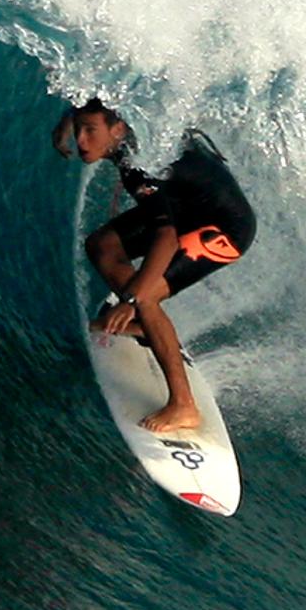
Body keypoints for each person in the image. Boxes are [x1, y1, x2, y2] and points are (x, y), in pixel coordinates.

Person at [53, 98, 255, 433]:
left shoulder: (140, 167)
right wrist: (65, 122)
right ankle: (147, 326)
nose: (81, 140)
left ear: (117, 129)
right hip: (186, 207)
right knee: (102, 245)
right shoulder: (131, 123)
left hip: (223, 229)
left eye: (89, 131)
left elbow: (167, 239)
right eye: (78, 129)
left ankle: (184, 406)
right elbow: (88, 100)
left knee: (145, 296)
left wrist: (132, 300)